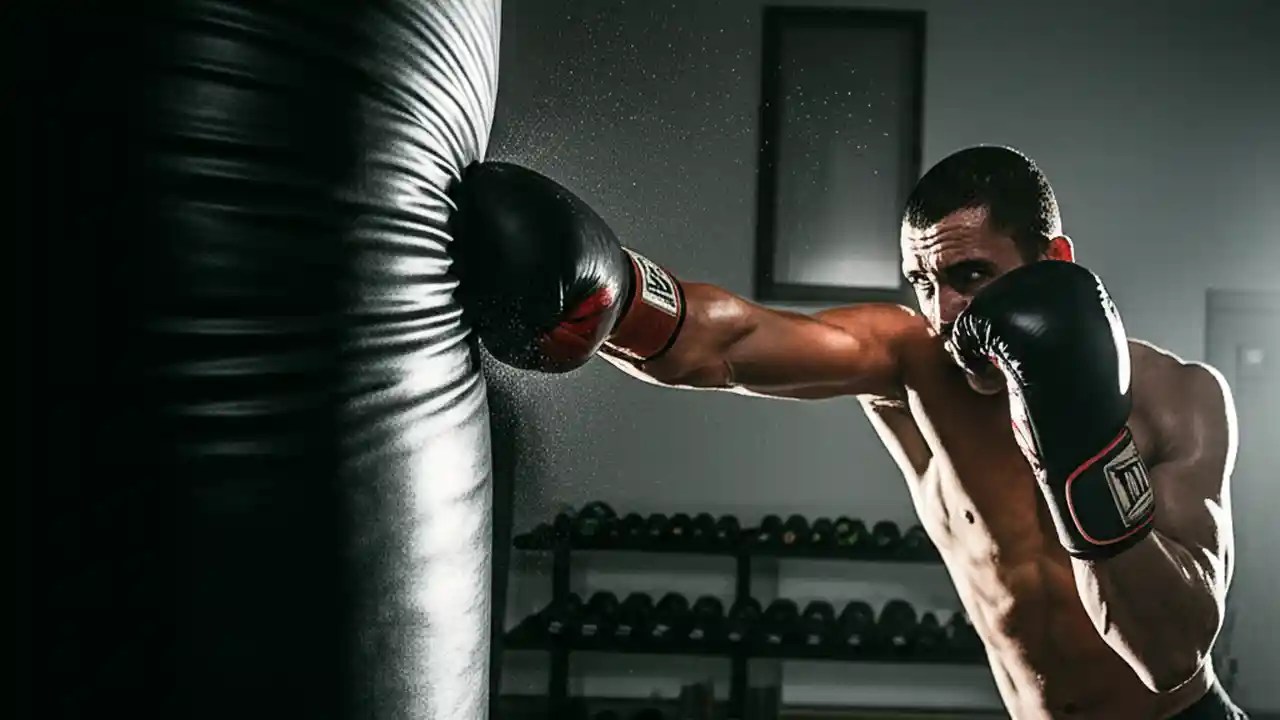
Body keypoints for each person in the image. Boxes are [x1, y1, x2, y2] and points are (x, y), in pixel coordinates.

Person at [448, 145, 1245, 719]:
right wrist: (616, 296)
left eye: (972, 278)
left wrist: (1080, 450)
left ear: (1055, 261)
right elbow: (727, 345)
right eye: (924, 284)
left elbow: (1173, 651)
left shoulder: (1180, 398)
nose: (945, 317)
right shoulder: (911, 364)